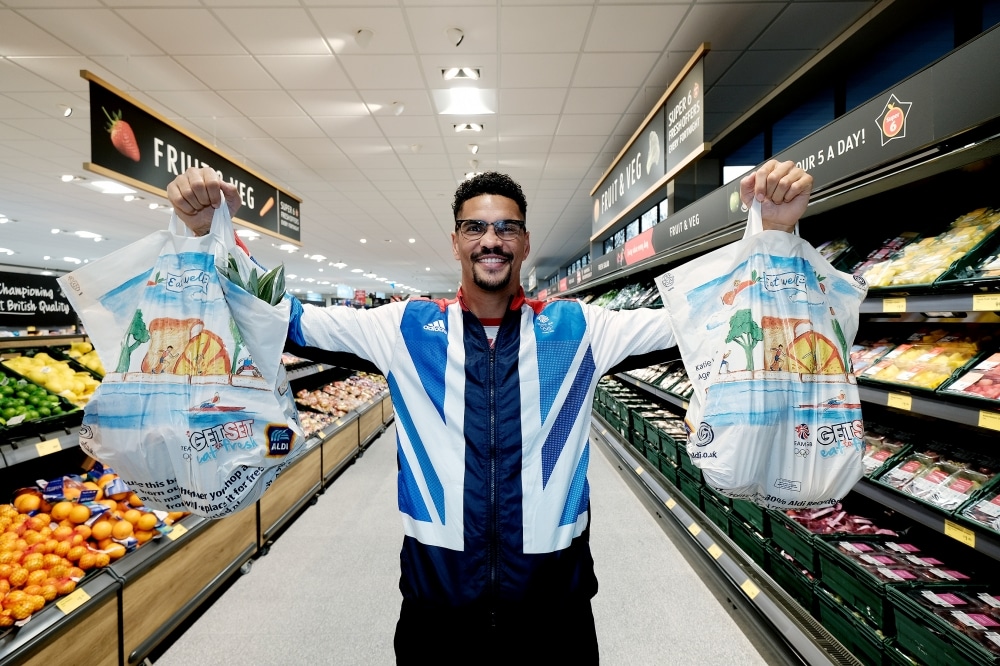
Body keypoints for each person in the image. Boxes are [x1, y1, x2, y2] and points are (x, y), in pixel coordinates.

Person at [167, 159, 812, 664]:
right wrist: (209, 236)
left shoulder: (580, 330)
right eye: (475, 228)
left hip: (554, 614)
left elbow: (707, 320)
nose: (491, 240)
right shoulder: (404, 330)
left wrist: (774, 233)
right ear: (456, 242)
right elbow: (280, 317)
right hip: (437, 611)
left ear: (525, 242)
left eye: (506, 227)